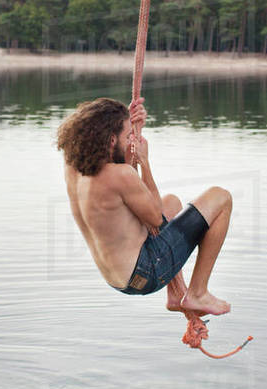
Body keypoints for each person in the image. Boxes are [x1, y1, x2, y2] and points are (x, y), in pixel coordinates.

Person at [56, 96, 232, 315]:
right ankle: (198, 293)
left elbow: (130, 197)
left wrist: (130, 126)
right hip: (146, 272)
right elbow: (156, 219)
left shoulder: (72, 167)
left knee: (172, 202)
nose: (131, 139)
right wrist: (144, 162)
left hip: (117, 278)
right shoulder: (119, 175)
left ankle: (175, 294)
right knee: (221, 198)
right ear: (111, 140)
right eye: (128, 136)